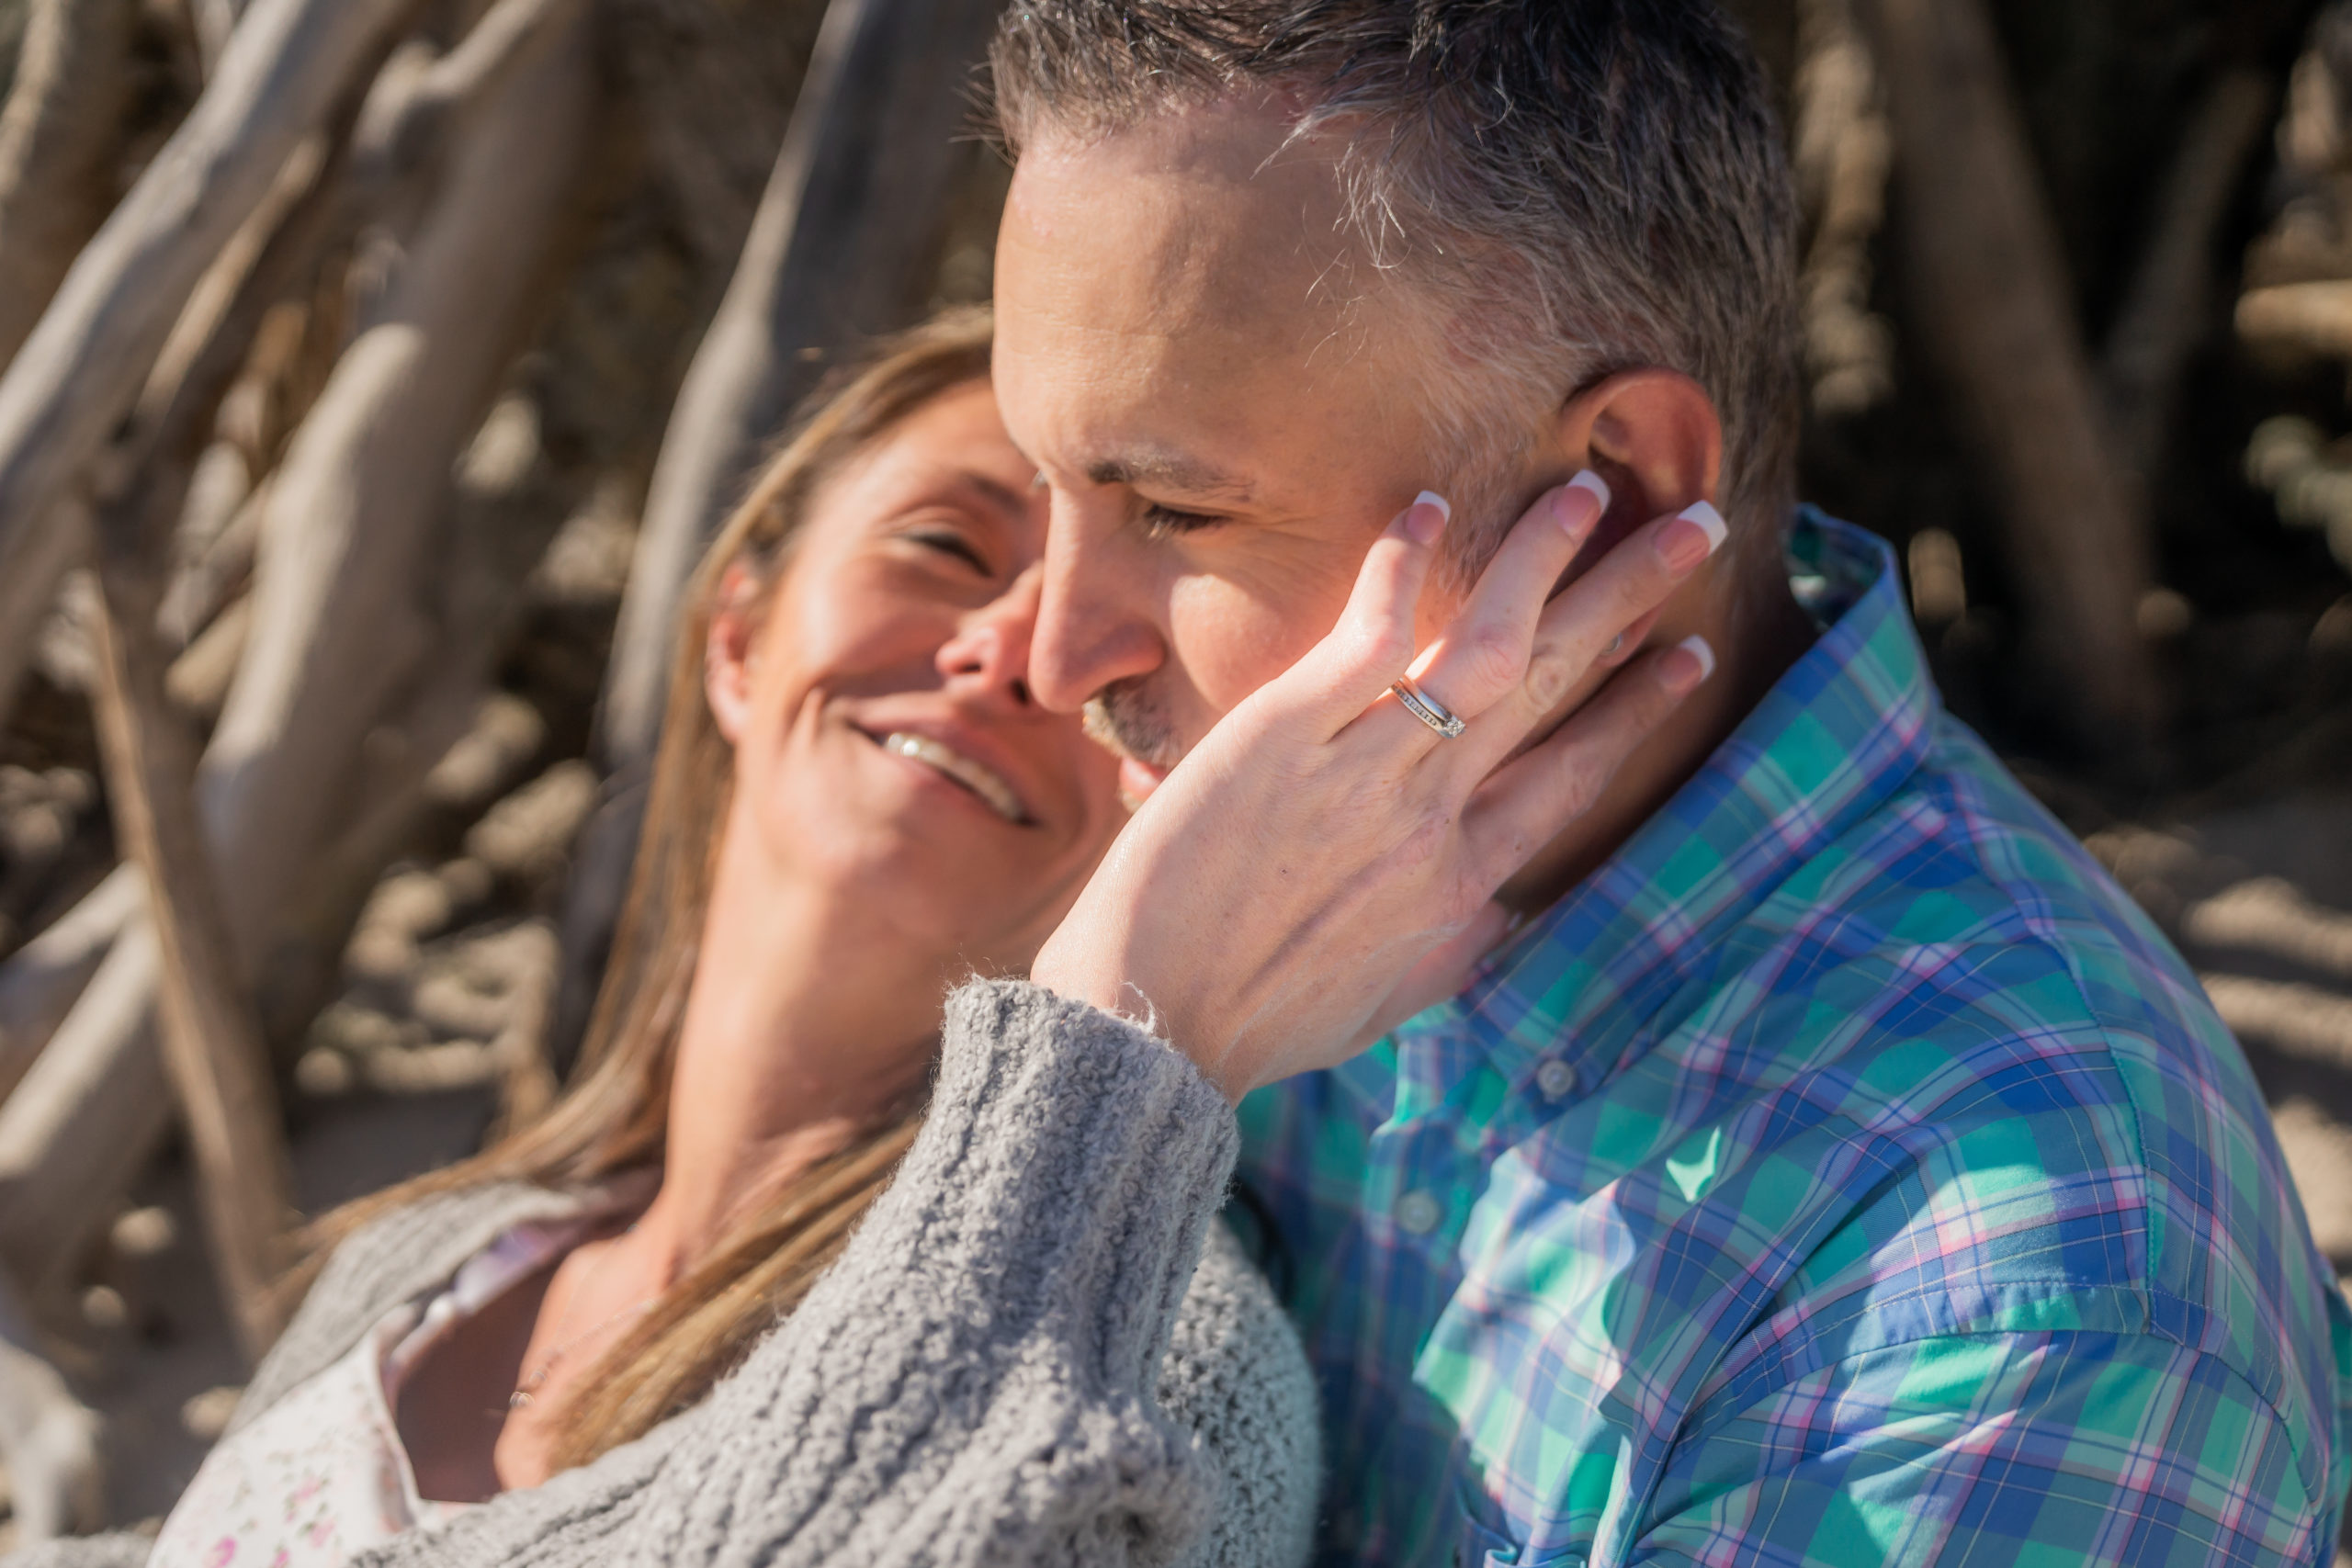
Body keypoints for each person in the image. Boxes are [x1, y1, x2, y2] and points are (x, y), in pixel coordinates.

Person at [966, 2, 2352, 1565]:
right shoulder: (1263, 853)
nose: (1047, 653)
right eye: (1044, 483)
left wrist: (1085, 1090)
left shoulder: (2025, 1315)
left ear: (1609, 494)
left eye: (1168, 508)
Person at [11, 313, 1354, 1568]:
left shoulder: (1150, 1362)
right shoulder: (441, 1253)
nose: (1009, 651)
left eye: (1103, 644)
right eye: (947, 547)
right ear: (738, 639)